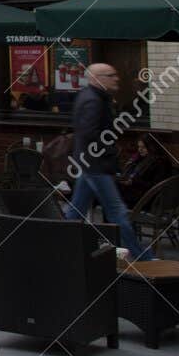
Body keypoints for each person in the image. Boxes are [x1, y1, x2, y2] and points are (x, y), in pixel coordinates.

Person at [67, 63, 152, 260]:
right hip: (96, 165)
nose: (116, 78)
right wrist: (108, 150)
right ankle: (142, 256)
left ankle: (56, 243)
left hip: (90, 164)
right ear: (97, 79)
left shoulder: (93, 97)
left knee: (75, 211)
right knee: (117, 211)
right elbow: (89, 133)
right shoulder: (93, 100)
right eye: (111, 75)